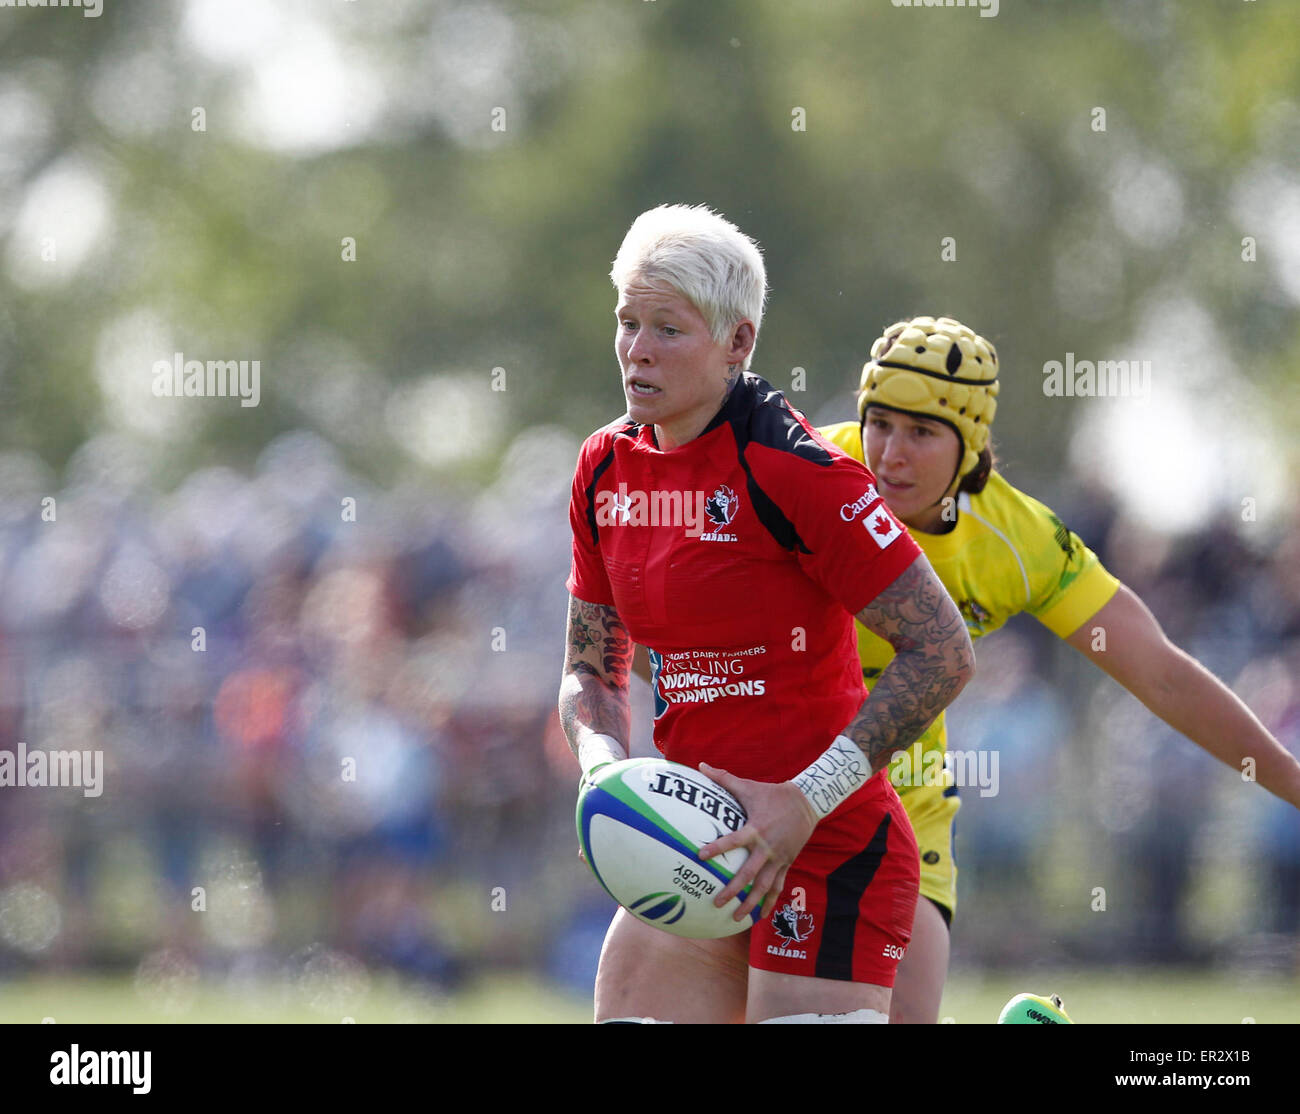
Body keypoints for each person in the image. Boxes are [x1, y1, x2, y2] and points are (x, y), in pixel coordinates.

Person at [815, 314, 1300, 1023]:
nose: (890, 454)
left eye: (922, 433)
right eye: (880, 423)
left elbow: (1160, 674)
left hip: (904, 805)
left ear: (971, 441)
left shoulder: (1018, 539)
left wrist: (1292, 784)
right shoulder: (810, 478)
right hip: (774, 784)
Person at [558, 208, 975, 1024]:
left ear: (738, 342)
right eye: (628, 322)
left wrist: (802, 800)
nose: (638, 349)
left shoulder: (798, 472)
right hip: (690, 843)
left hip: (830, 846)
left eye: (669, 329)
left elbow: (943, 652)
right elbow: (590, 666)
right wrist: (604, 771)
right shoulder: (603, 468)